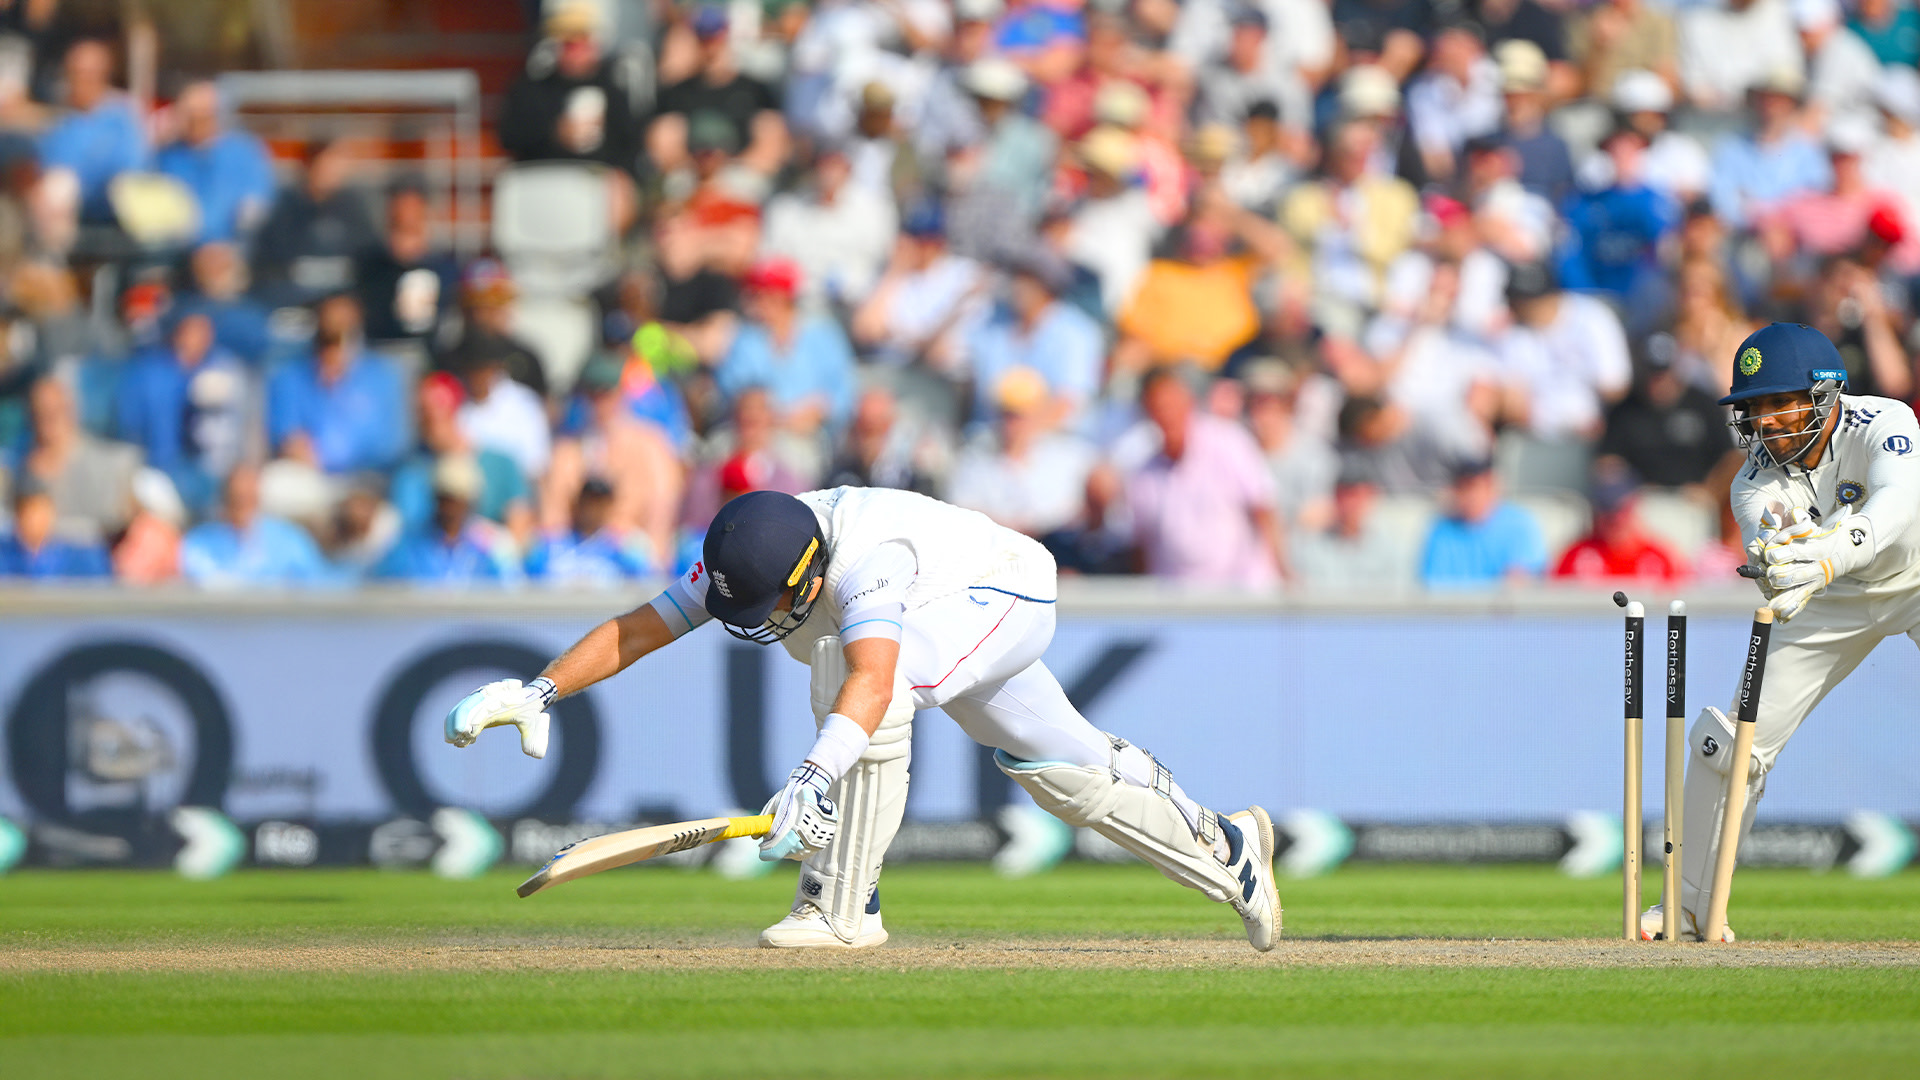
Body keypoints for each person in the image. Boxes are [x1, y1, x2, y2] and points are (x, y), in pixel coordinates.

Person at [444, 485, 1282, 952]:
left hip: (1002, 591)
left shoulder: (864, 566)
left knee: (863, 673)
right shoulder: (750, 547)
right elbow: (641, 626)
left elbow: (879, 678)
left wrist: (812, 779)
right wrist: (541, 688)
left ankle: (843, 907)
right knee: (1065, 769)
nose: (767, 618)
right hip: (943, 609)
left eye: (780, 603)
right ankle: (1227, 847)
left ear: (812, 574)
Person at [1639, 322, 1920, 942]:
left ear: (1823, 393)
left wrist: (1829, 553)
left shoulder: (1884, 422)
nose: (1763, 422)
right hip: (1832, 601)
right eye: (1753, 406)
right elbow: (1779, 563)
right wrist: (1787, 568)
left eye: (1778, 401)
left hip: (1916, 572)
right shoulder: (1751, 481)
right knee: (1730, 744)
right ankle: (1688, 906)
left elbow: (1899, 506)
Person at [1125, 367, 1286, 586]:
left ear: (1189, 403)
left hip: (1241, 596)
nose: (1167, 414)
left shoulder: (1230, 442)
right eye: (1158, 407)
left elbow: (1263, 509)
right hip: (1177, 602)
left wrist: (1283, 575)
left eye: (1172, 405)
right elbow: (1142, 547)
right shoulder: (1143, 475)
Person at [153, 79, 277, 244]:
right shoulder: (168, 155)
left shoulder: (244, 151)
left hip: (228, 247)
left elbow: (255, 205)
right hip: (176, 247)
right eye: (188, 115)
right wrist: (155, 138)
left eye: (201, 115)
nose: (194, 122)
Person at [180, 464, 332, 587]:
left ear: (258, 499)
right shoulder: (198, 543)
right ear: (224, 500)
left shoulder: (290, 540)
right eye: (235, 499)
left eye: (248, 499)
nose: (242, 506)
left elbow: (314, 584)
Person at [1418, 459, 1548, 588]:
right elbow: (1432, 586)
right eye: (1463, 488)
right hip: (1453, 608)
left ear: (1492, 486)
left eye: (1474, 487)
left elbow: (1522, 584)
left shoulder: (1521, 524)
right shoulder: (1442, 529)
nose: (1470, 496)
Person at [1551, 467, 1686, 583]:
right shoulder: (1575, 556)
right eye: (1606, 508)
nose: (1614, 518)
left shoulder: (1658, 558)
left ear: (1634, 506)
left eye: (1620, 508)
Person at [0, 476, 111, 579]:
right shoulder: (5, 556)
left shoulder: (81, 558)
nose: (33, 520)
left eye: (40, 510)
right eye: (26, 511)